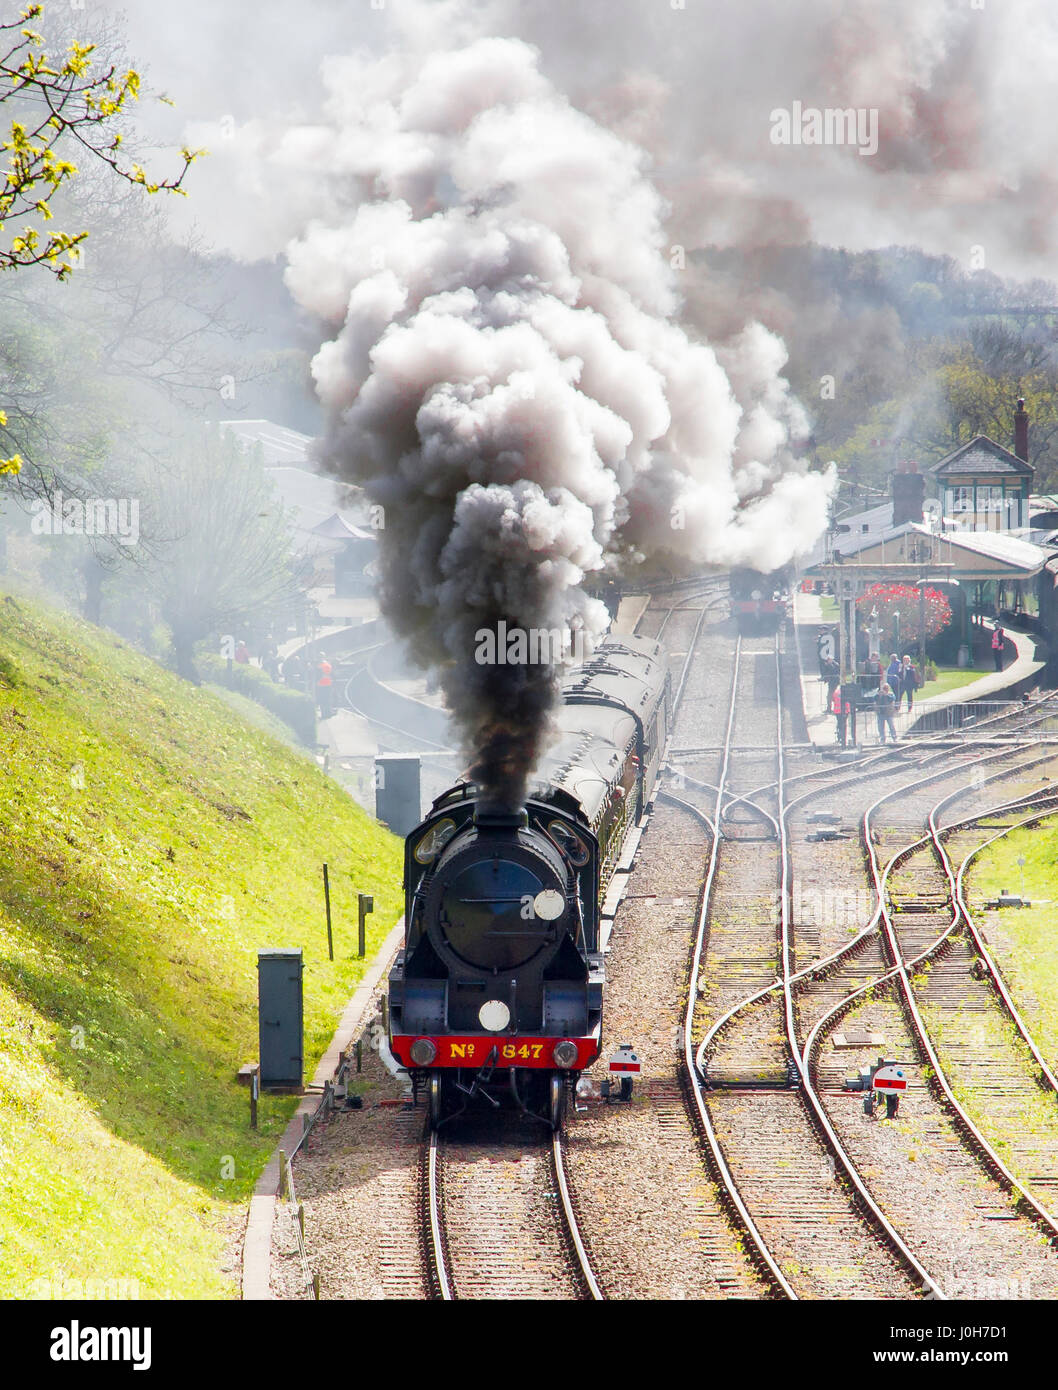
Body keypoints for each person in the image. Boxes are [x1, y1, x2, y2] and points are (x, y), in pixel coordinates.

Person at [316, 650, 334, 719]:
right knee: (328, 699)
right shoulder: (328, 664)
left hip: (321, 685)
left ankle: (325, 714)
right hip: (328, 684)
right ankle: (328, 713)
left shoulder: (319, 665)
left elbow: (317, 675)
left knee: (323, 700)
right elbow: (331, 673)